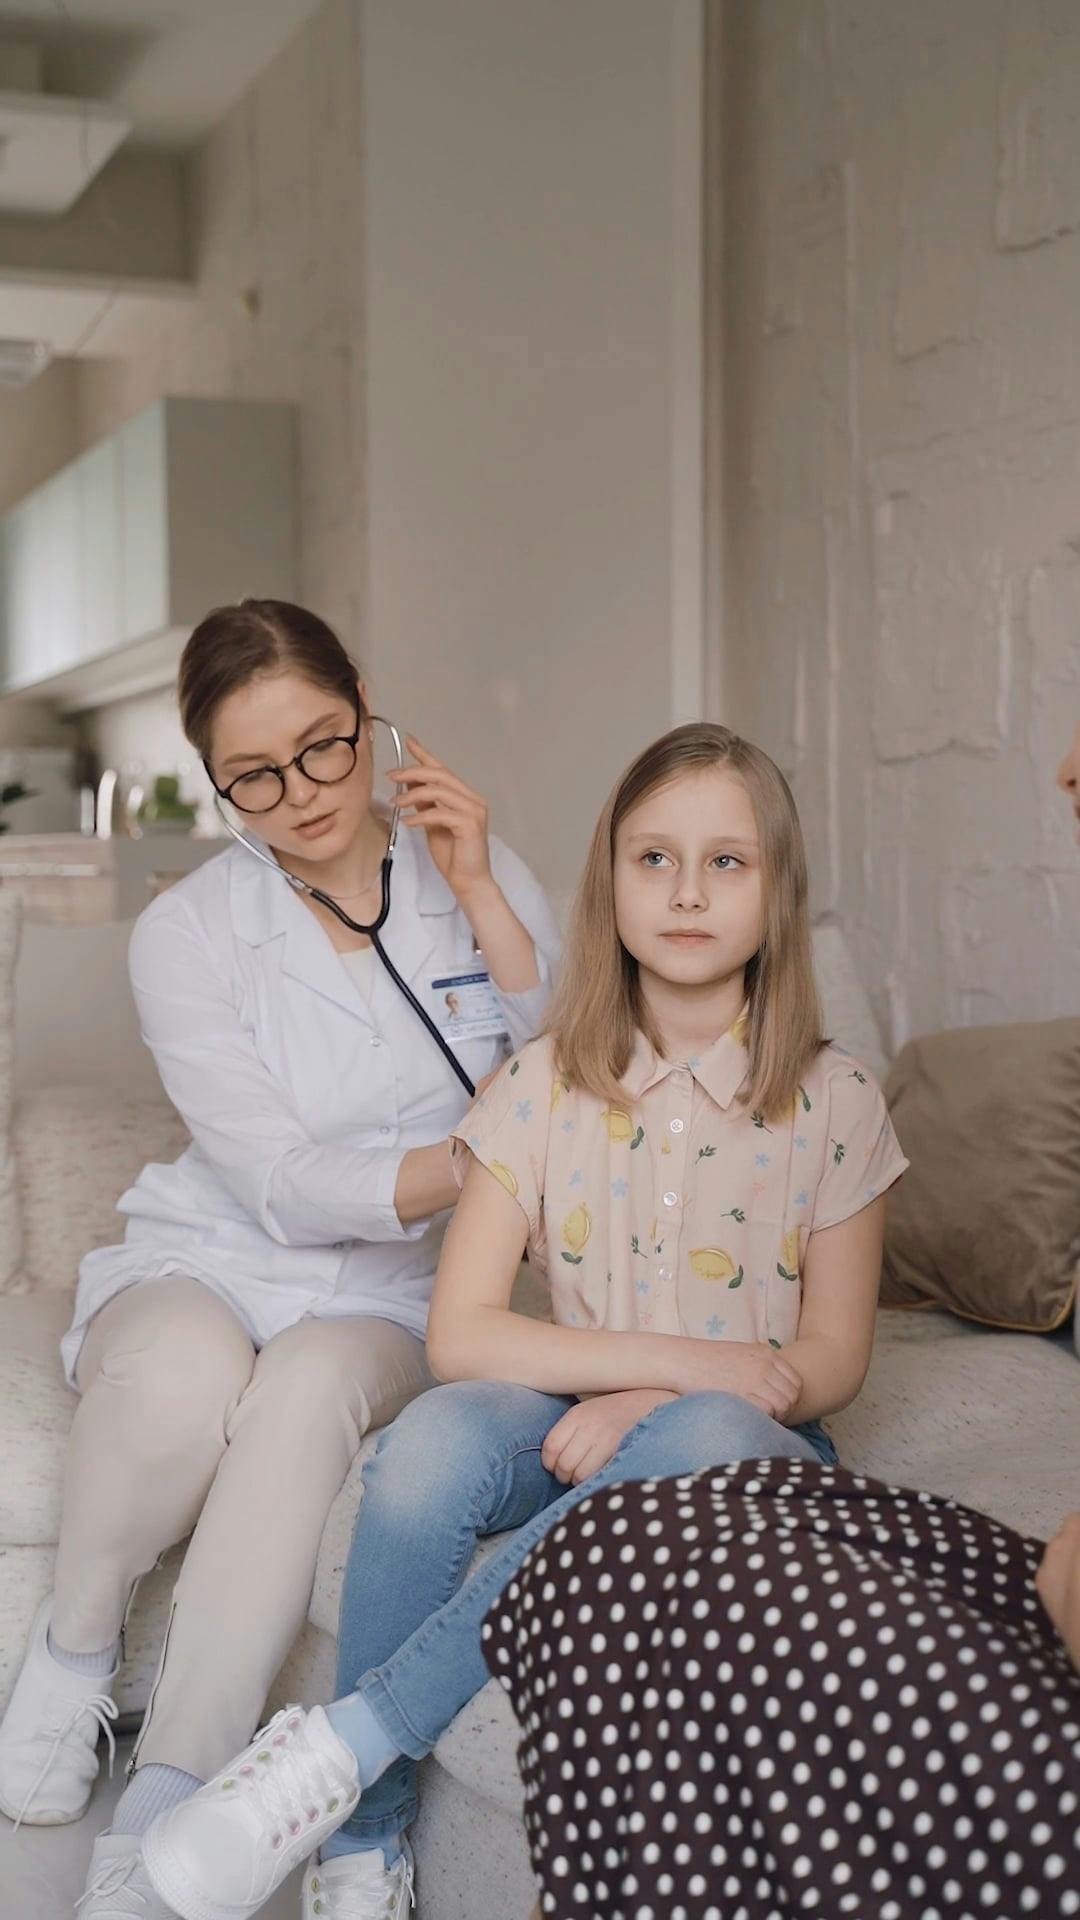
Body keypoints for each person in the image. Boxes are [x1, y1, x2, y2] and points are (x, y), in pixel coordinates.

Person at [137, 719, 909, 1920]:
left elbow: (830, 1364)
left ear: (779, 888)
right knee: (429, 1446)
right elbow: (463, 1335)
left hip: (741, 1442)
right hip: (575, 1408)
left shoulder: (837, 1098)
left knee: (700, 1437)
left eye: (728, 863)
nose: (689, 893)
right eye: (654, 860)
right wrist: (668, 1366)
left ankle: (345, 1750)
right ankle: (365, 1846)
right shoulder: (538, 1083)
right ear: (609, 883)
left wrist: (666, 1403)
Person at [0, 599, 561, 1918]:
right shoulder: (185, 934)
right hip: (222, 1240)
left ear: (371, 709)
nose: (301, 794)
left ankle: (174, 1786)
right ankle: (75, 1652)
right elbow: (278, 1179)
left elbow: (555, 1063)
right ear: (214, 779)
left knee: (307, 1390)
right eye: (254, 774)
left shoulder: (477, 868)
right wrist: (484, 1161)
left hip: (395, 1284)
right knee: (183, 1374)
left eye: (325, 746)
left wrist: (475, 881)